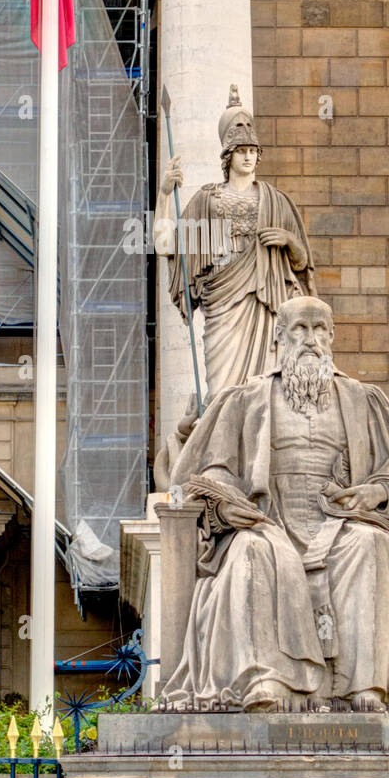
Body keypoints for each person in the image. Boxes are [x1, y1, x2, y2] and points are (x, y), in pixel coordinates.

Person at [163, 295, 389, 712]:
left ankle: (363, 688)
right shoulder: (245, 399)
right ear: (279, 337)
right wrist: (225, 505)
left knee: (373, 546)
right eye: (299, 329)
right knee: (250, 552)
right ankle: (267, 681)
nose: (310, 339)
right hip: (268, 521)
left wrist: (377, 493)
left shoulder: (364, 399)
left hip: (340, 523)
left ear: (332, 336)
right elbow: (211, 472)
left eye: (319, 329)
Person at [154, 86, 317, 483]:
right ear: (228, 156)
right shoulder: (207, 201)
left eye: (252, 150)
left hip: (267, 307)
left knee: (266, 392)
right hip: (224, 309)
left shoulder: (277, 202)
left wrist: (289, 241)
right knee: (223, 393)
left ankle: (262, 473)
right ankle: (222, 470)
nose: (248, 156)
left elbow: (302, 267)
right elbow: (164, 244)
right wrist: (164, 194)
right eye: (241, 150)